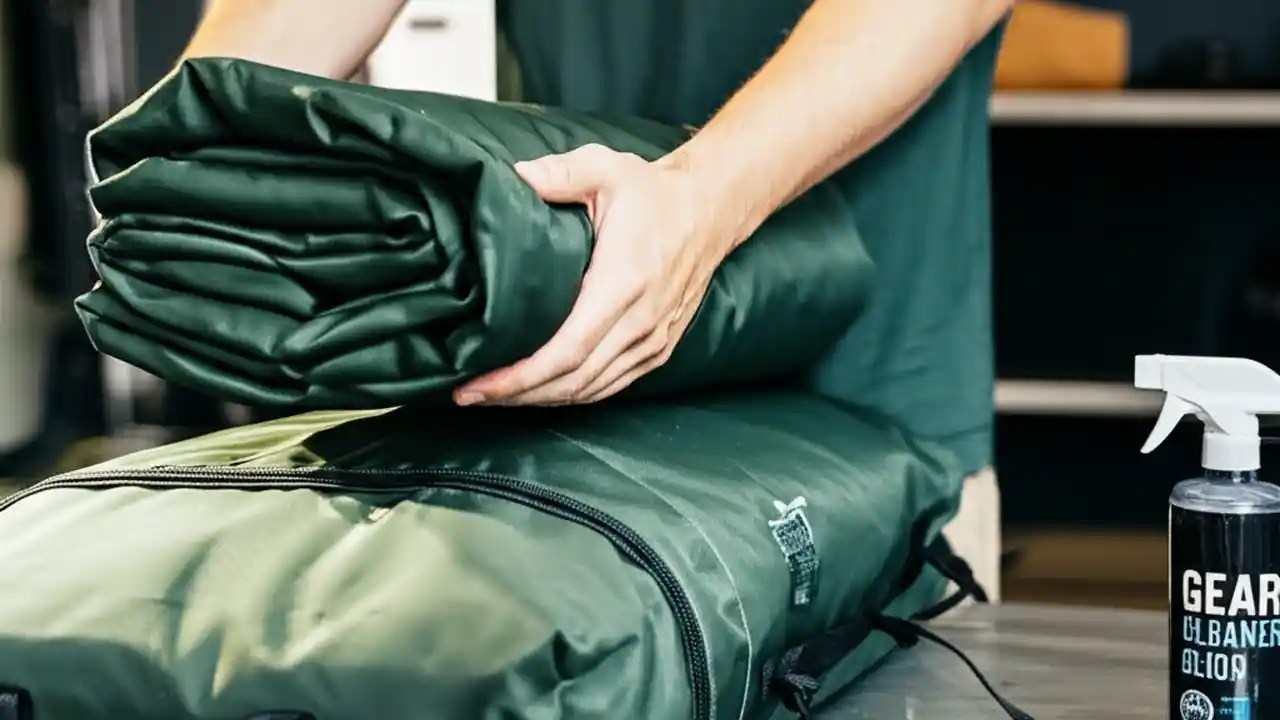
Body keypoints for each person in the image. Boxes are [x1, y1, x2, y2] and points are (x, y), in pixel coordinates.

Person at [181, 0, 1012, 596]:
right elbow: (269, 42)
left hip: (868, 450)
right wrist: (182, 159)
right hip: (565, 465)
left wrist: (701, 197)